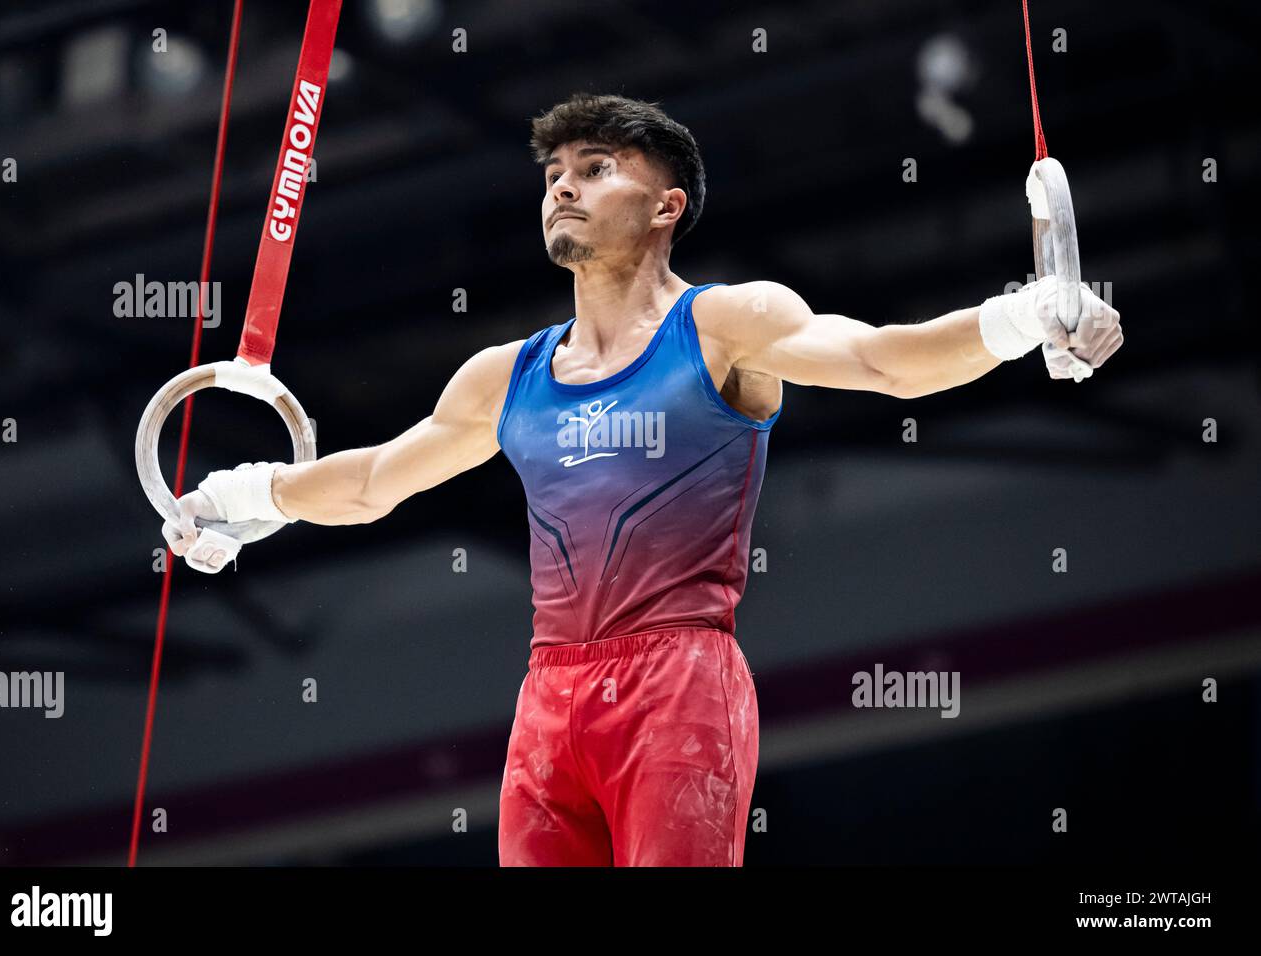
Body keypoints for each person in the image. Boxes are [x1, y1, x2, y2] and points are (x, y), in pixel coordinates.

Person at [161, 93, 1123, 866]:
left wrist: (1028, 316)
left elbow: (886, 362)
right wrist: (244, 499)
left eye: (595, 169)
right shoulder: (505, 376)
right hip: (548, 702)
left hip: (680, 683)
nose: (563, 190)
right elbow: (374, 481)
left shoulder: (728, 325)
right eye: (553, 175)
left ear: (668, 206)